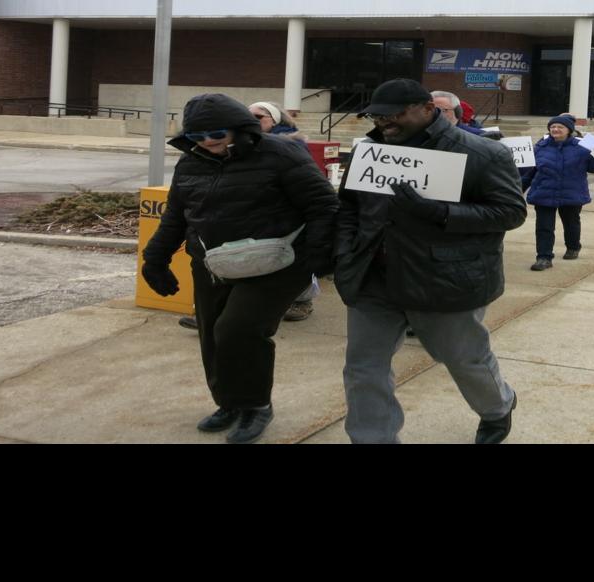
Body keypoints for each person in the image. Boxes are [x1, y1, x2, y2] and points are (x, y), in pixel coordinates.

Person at [334, 78, 528, 444]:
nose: (383, 123)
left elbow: (510, 212)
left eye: (394, 115)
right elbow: (349, 207)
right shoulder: (370, 152)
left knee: (464, 359)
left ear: (428, 110)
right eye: (376, 116)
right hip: (373, 278)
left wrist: (438, 212)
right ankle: (372, 438)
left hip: (444, 278)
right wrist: (345, 253)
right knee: (364, 368)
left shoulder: (482, 153)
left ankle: (497, 406)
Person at [141, 93, 337, 444]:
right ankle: (229, 402)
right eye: (196, 137)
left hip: (277, 261)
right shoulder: (191, 164)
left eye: (216, 134)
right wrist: (155, 259)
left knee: (238, 330)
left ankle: (256, 405)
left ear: (239, 128)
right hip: (213, 261)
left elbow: (323, 206)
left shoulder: (281, 154)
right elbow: (175, 217)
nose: (207, 143)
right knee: (212, 334)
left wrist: (321, 256)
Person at [248, 101, 325, 322]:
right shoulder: (244, 141)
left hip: (287, 210)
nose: (251, 120)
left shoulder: (291, 144)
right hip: (256, 210)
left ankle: (302, 301)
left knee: (294, 258)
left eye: (258, 117)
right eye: (247, 116)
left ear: (274, 120)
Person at [519, 113, 594, 271]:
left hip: (572, 193)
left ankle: (573, 247)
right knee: (544, 227)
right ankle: (544, 258)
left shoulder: (583, 146)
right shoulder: (540, 147)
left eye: (560, 127)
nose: (555, 129)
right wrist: (518, 188)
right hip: (544, 193)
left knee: (571, 223)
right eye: (552, 127)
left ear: (569, 130)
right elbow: (530, 171)